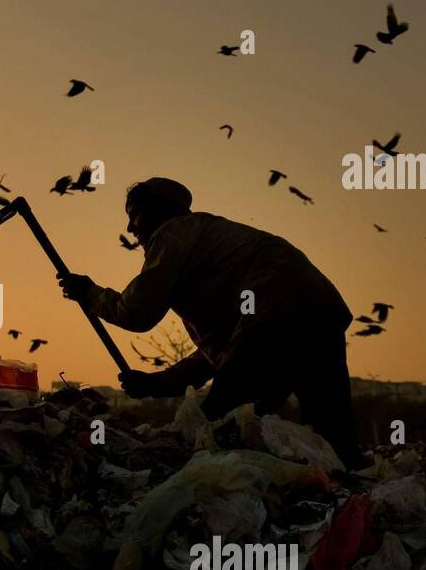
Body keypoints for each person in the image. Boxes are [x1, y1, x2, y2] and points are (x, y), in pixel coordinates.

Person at [58, 177, 361, 467]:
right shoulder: (214, 245)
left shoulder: (175, 232)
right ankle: (348, 496)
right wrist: (157, 383)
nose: (129, 227)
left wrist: (89, 293)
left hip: (276, 319)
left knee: (219, 425)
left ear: (158, 211)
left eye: (134, 215)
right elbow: (222, 352)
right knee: (331, 436)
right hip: (321, 314)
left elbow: (137, 312)